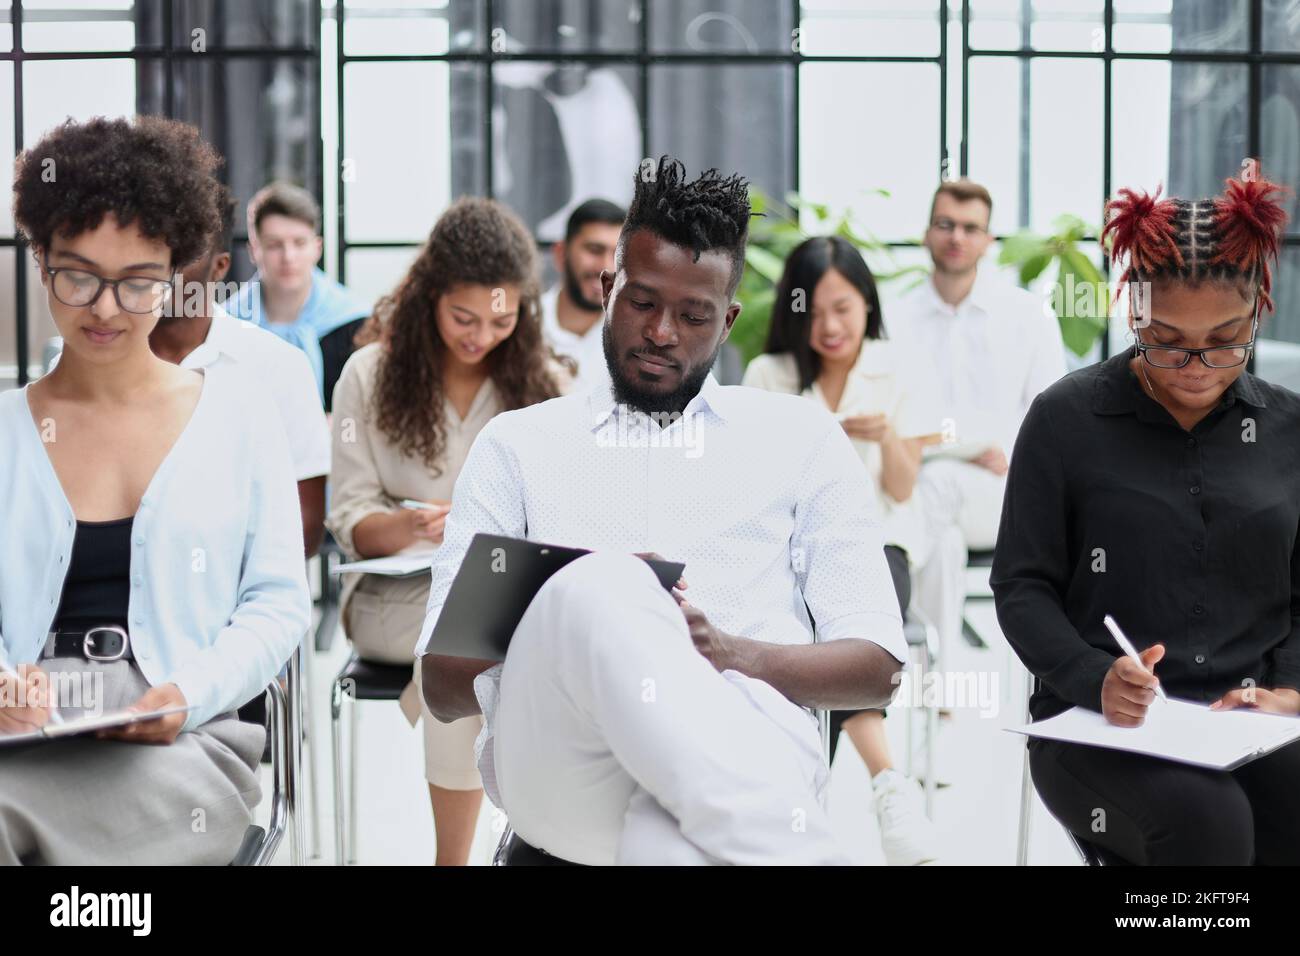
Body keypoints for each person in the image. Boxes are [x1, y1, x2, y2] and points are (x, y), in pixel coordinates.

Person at [417, 157, 907, 866]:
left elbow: (879, 668)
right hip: (570, 770)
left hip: (744, 749)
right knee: (607, 584)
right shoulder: (519, 446)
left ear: (729, 319)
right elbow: (440, 685)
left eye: (693, 314)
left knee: (667, 842)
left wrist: (730, 654)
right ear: (608, 287)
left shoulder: (799, 440)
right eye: (643, 302)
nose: (662, 332)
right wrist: (578, 636)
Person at [0, 115, 310, 864]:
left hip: (186, 744)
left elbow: (277, 601)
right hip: (21, 745)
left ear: (175, 274)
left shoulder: (237, 418)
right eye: (79, 275)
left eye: (137, 283)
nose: (105, 309)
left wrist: (185, 692)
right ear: (42, 264)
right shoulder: (10, 431)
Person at [991, 175, 1300, 865]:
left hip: (1253, 721)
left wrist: (1289, 689)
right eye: (1167, 340)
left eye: (1224, 340)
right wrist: (1090, 674)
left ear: (1260, 312)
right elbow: (1022, 586)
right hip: (1100, 726)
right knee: (1210, 827)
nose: (1194, 367)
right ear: (1135, 313)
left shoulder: (1290, 430)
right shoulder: (1066, 420)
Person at [327, 198, 570, 866]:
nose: (481, 334)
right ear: (428, 296)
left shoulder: (544, 383)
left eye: (502, 318)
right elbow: (350, 525)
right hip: (391, 599)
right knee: (465, 639)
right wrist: (411, 524)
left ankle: (550, 847)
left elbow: (565, 517)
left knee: (492, 633)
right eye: (463, 317)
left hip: (504, 598)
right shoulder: (368, 377)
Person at [743, 235, 943, 865]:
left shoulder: (897, 369)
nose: (829, 326)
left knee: (842, 627)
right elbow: (756, 494)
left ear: (867, 307)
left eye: (844, 309)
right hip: (792, 553)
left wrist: (888, 437)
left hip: (879, 546)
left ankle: (803, 816)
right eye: (813, 311)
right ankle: (888, 783)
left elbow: (904, 489)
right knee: (818, 628)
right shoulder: (767, 377)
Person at [889, 179, 1067, 652]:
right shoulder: (894, 318)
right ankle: (939, 686)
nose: (956, 238)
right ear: (926, 232)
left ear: (988, 241)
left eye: (971, 228)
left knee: (936, 486)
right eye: (945, 225)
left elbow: (1053, 419)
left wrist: (1003, 453)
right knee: (942, 543)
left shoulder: (1027, 317)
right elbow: (887, 418)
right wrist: (958, 447)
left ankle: (878, 620)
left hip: (1004, 492)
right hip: (920, 489)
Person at [149, 182, 330, 557]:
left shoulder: (278, 364)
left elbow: (303, 529)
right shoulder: (100, 362)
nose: (163, 272)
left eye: (298, 242)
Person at [229, 181, 370, 410]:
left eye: (299, 243)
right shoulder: (227, 324)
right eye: (274, 245)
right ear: (254, 250)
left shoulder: (357, 325)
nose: (288, 257)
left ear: (317, 247)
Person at [539, 199, 625, 393]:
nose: (607, 268)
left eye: (618, 255)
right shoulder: (522, 325)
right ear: (561, 254)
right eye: (594, 250)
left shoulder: (634, 337)